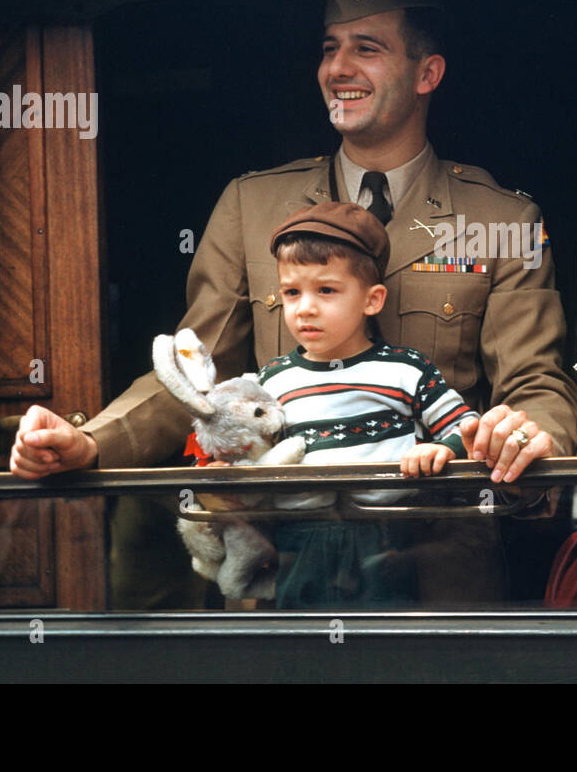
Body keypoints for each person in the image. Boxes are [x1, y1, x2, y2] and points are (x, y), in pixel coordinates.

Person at [10, 0, 577, 603]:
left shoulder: (501, 220)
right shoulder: (251, 206)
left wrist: (529, 438)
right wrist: (91, 442)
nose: (338, 68)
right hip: (282, 564)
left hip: (434, 563)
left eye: (367, 48)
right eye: (329, 47)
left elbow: (535, 384)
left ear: (428, 74)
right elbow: (197, 374)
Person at [198, 201, 479, 607]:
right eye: (292, 292)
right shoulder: (271, 380)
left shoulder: (406, 369)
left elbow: (467, 428)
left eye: (326, 290)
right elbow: (254, 450)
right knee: (299, 650)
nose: (305, 308)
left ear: (372, 300)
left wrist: (439, 450)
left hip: (392, 535)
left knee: (392, 647)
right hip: (297, 538)